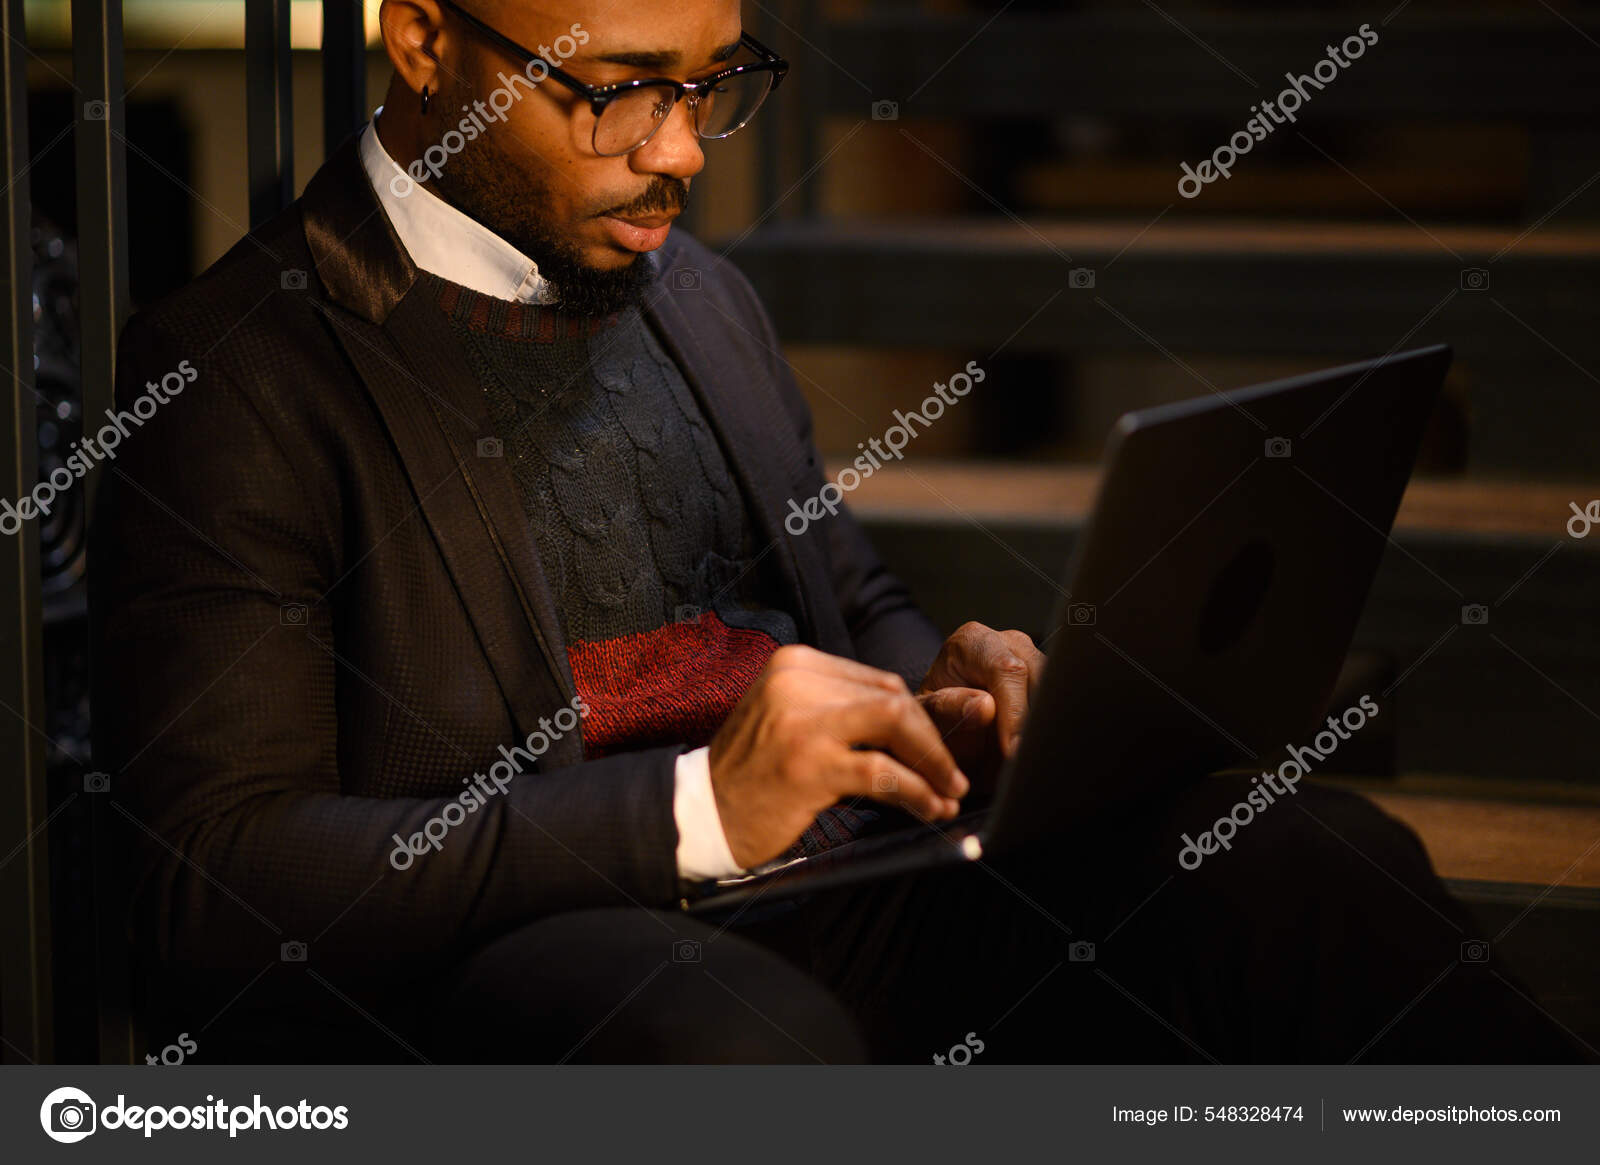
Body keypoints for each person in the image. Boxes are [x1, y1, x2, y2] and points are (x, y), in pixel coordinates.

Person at [91, 0, 1584, 1064]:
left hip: (848, 882)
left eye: (713, 83)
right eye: (619, 89)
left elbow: (846, 588)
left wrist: (944, 682)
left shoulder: (696, 294)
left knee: (1317, 858)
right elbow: (215, 877)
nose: (681, 153)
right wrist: (697, 814)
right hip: (531, 944)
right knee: (739, 1046)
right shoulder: (234, 374)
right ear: (425, 42)